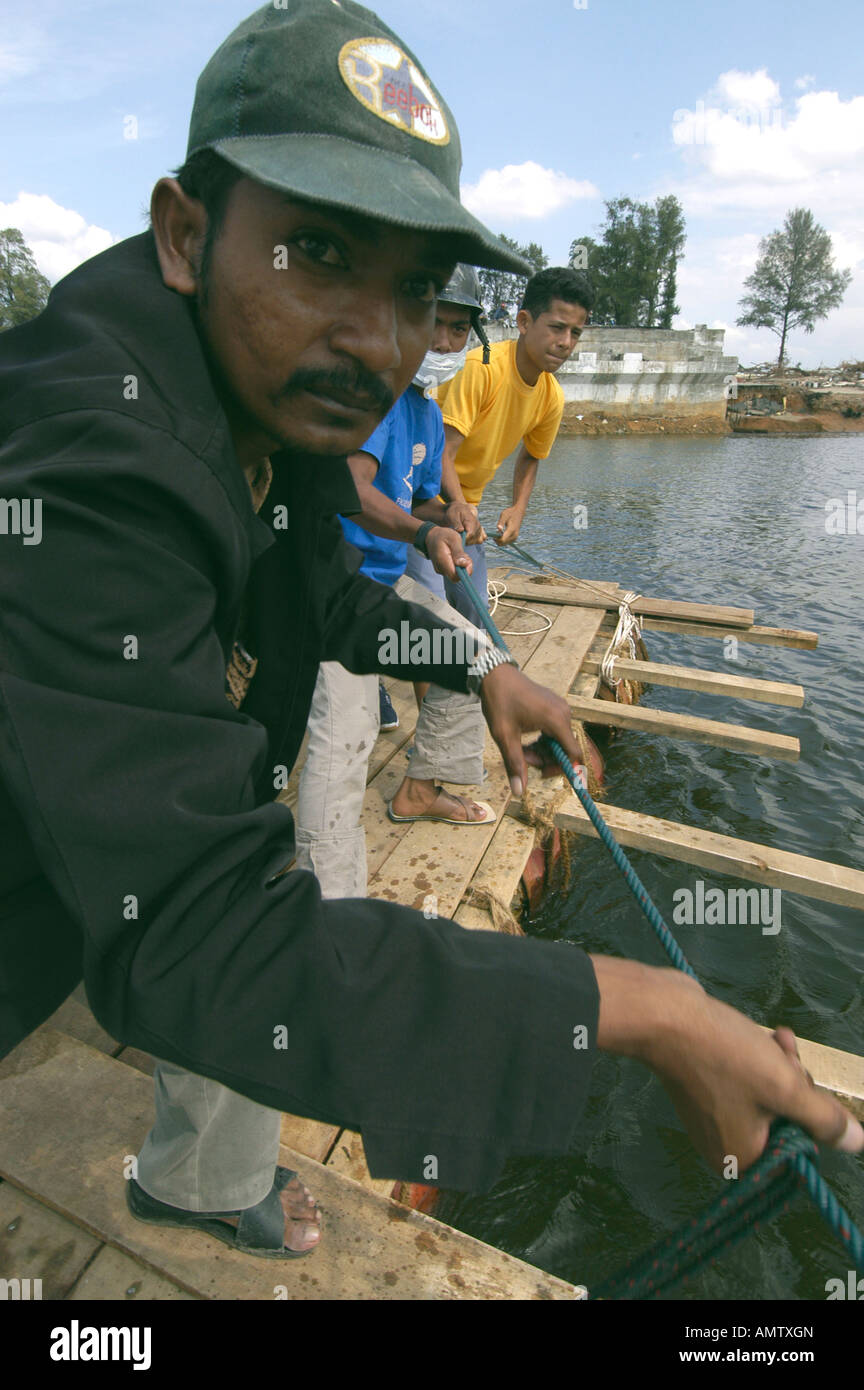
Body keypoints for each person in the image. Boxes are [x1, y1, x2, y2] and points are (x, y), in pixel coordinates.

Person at [0, 0, 859, 1267]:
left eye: (412, 288)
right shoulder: (96, 465)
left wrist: (485, 662)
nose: (378, 337)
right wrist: (655, 1008)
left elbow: (326, 602)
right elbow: (195, 934)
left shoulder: (253, 395)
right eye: (320, 257)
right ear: (186, 232)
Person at [295, 266, 495, 901]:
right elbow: (351, 493)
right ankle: (326, 908)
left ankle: (421, 786)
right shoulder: (373, 399)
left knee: (471, 654)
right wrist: (421, 534)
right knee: (343, 745)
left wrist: (450, 515)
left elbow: (420, 498)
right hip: (333, 587)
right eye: (434, 324)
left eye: (458, 329)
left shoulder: (426, 412)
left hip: (382, 586)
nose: (443, 341)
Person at [406, 266, 591, 620]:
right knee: (429, 616)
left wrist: (517, 508)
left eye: (575, 333)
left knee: (475, 614)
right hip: (422, 504)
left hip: (464, 512)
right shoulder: (481, 370)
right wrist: (457, 505)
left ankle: (469, 672)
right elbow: (443, 452)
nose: (565, 342)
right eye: (556, 328)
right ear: (523, 321)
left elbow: (531, 457)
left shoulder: (551, 396)